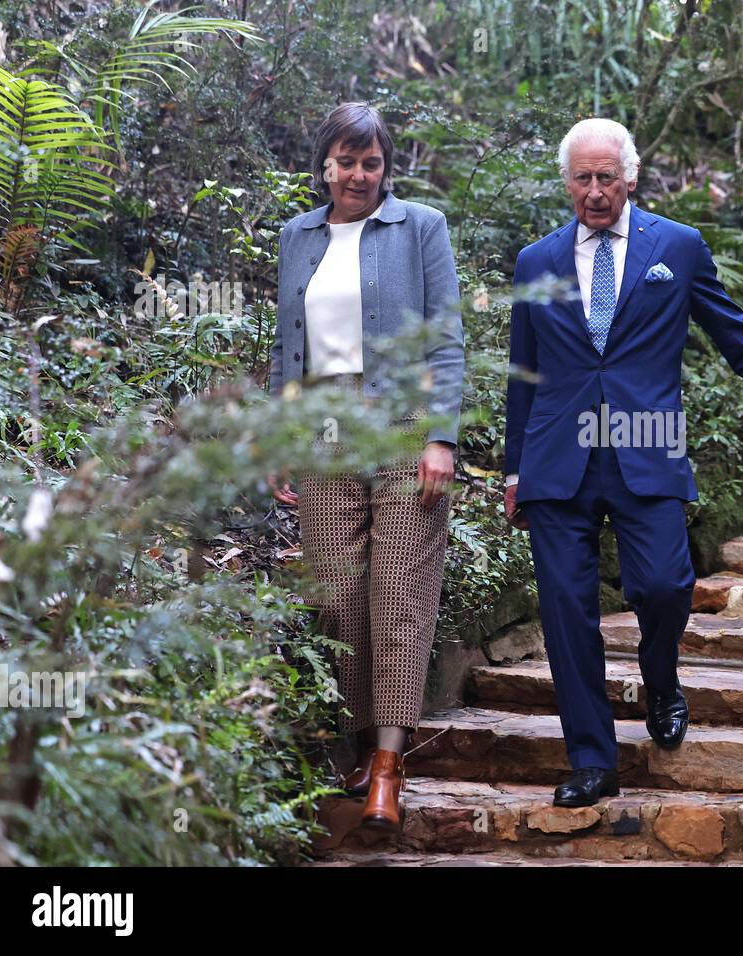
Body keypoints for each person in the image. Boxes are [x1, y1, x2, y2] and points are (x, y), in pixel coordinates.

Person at [503, 118, 743, 807]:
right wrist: (514, 470)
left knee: (664, 586)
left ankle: (660, 676)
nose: (595, 192)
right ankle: (593, 760)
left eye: (607, 177)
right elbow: (523, 372)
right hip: (556, 457)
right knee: (568, 613)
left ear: (630, 177)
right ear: (566, 182)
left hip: (646, 443)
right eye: (582, 178)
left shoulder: (678, 248)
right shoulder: (535, 260)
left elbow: (738, 338)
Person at [267, 102, 463, 831]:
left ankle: (388, 764)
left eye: (370, 162)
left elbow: (444, 340)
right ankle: (354, 750)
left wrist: (441, 437)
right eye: (345, 161)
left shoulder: (421, 229)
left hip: (404, 420)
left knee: (399, 591)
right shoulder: (297, 236)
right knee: (336, 595)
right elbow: (287, 347)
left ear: (387, 167)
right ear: (325, 164)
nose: (357, 174)